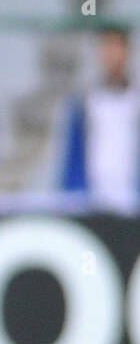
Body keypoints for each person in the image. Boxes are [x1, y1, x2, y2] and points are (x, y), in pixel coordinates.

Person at [61, 27, 140, 215]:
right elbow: (74, 155)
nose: (112, 54)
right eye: (107, 47)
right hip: (92, 199)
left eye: (117, 46)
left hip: (131, 199)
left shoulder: (135, 99)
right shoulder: (86, 102)